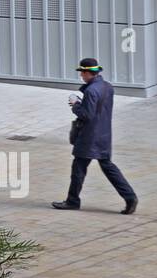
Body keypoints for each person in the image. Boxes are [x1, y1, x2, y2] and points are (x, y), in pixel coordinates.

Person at [51, 58, 138, 214]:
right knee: (108, 167)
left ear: (87, 73)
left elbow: (87, 114)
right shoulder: (107, 87)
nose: (81, 77)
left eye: (82, 73)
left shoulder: (91, 91)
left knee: (78, 169)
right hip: (104, 134)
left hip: (89, 136)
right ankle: (130, 197)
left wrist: (75, 105)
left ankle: (72, 201)